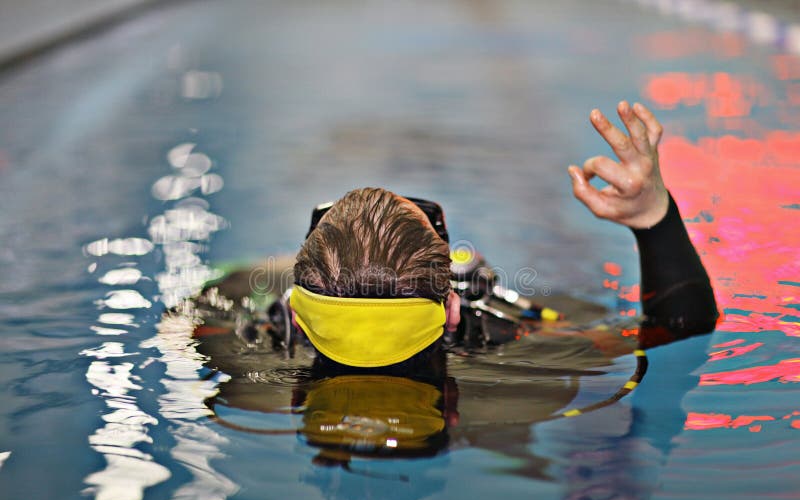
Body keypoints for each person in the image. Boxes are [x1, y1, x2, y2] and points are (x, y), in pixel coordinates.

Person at [190, 101, 718, 464]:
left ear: (297, 314)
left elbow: (185, 326)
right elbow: (677, 330)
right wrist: (655, 218)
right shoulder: (520, 360)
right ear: (452, 310)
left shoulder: (236, 371)